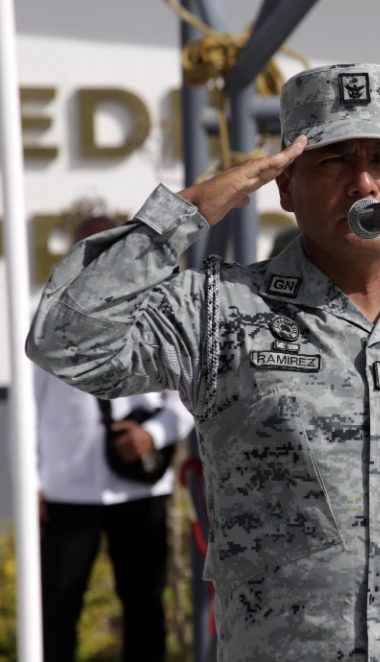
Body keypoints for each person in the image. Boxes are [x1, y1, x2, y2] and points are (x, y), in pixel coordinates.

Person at [27, 62, 380, 661]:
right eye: (334, 162)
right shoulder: (219, 310)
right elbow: (65, 338)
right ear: (286, 186)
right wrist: (193, 207)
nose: (364, 183)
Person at [36, 214, 194, 662]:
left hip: (140, 483)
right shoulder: (48, 316)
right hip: (68, 486)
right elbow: (28, 407)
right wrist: (30, 483)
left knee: (145, 601)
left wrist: (154, 433)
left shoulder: (157, 312)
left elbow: (187, 390)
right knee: (58, 605)